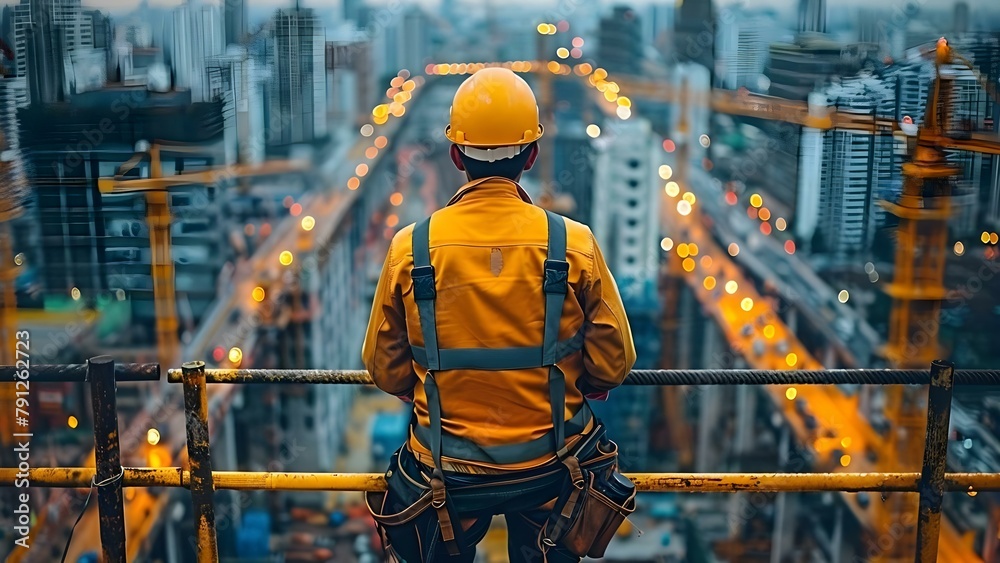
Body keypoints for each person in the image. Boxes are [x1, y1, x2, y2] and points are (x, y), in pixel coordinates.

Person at [362, 67, 636, 562]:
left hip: (445, 470)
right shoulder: (573, 244)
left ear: (454, 155)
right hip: (552, 468)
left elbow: (384, 370)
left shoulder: (411, 248)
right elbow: (613, 365)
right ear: (531, 156)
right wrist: (582, 380)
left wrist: (427, 386)